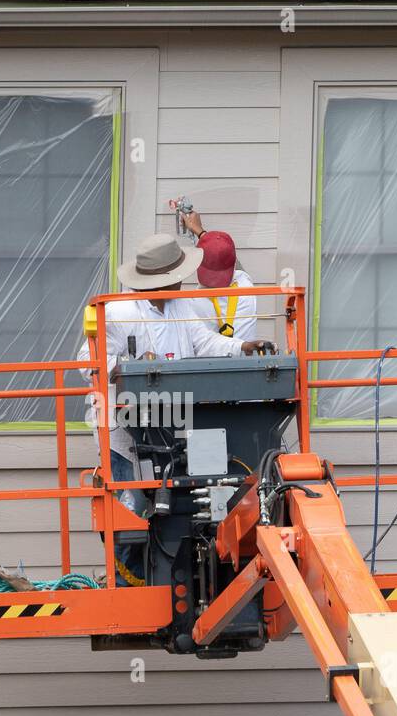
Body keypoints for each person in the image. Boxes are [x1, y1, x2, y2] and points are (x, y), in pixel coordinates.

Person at [78, 233, 273, 585]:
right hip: (123, 427)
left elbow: (204, 341)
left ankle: (156, 579)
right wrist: (128, 364)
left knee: (173, 498)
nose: (182, 282)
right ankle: (124, 584)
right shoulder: (118, 312)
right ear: (161, 280)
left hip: (170, 421)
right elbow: (86, 361)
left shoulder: (179, 307)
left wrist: (242, 346)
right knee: (132, 502)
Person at [177, 208, 256, 341]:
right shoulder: (246, 284)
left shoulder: (195, 303)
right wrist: (201, 232)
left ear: (198, 263)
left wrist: (200, 233)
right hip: (245, 359)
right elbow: (226, 256)